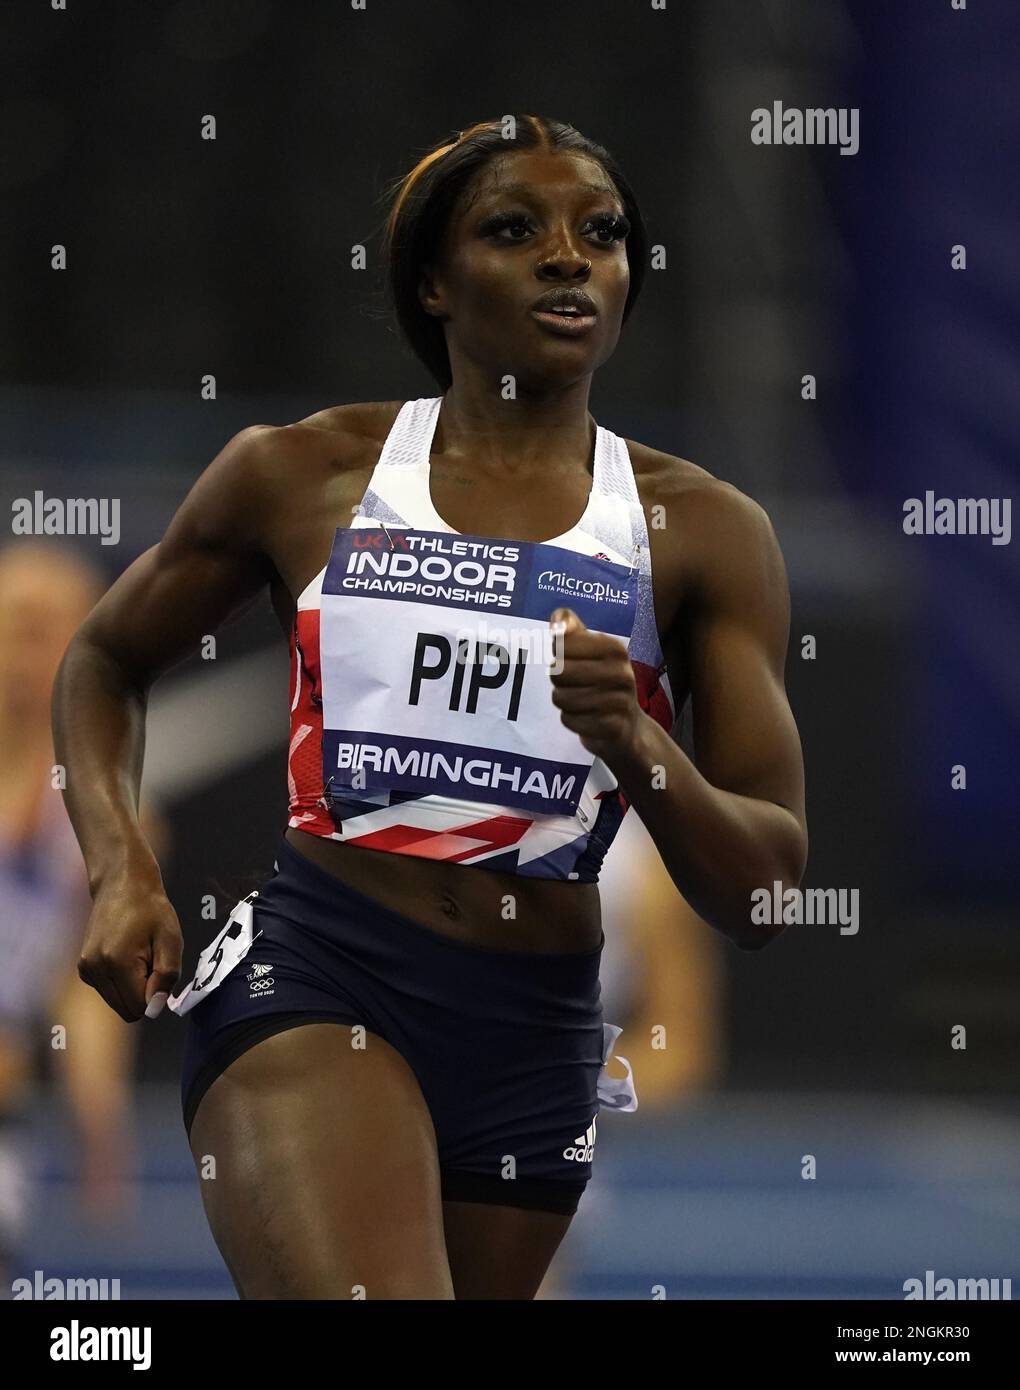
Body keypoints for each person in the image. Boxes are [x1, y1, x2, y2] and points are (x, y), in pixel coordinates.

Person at [51, 114, 807, 1300]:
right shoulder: (303, 475)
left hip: (535, 1031)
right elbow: (102, 659)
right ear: (433, 285)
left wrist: (639, 741)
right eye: (517, 231)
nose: (571, 257)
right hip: (323, 977)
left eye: (600, 234)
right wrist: (119, 865)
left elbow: (765, 891)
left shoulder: (702, 529)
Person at [0, 544, 137, 1286]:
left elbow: (81, 981)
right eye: (21, 626)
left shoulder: (109, 811)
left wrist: (99, 1116)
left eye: (59, 630)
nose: (35, 652)